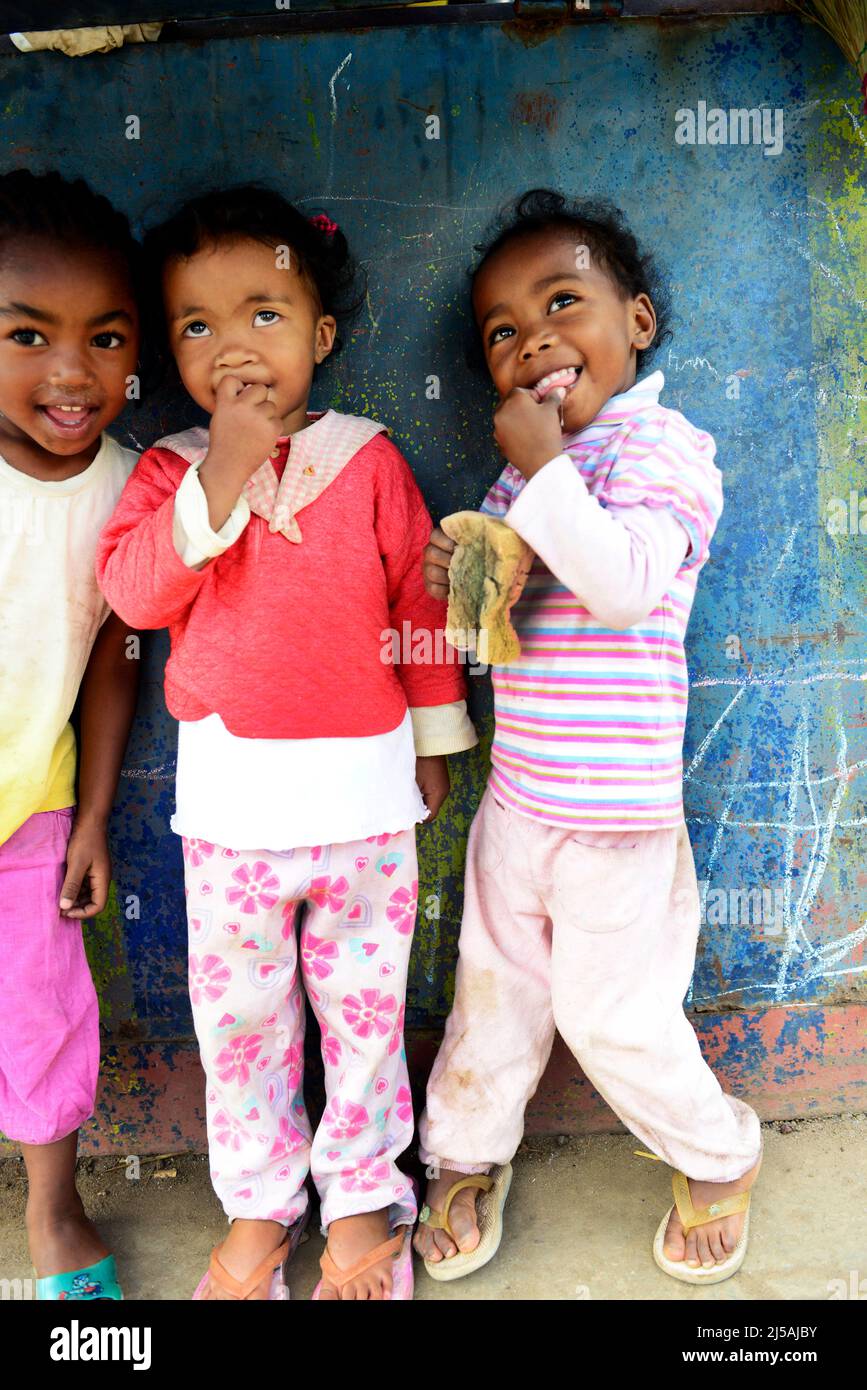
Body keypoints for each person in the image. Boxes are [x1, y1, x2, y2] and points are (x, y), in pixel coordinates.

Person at [96, 186, 477, 1301]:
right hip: (232, 822)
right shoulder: (168, 471)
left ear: (318, 337)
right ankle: (261, 1206)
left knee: (362, 1014)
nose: (233, 347)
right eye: (197, 326)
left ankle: (362, 1198)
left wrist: (435, 733)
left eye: (263, 313)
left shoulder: (369, 460)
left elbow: (417, 601)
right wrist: (222, 465)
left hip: (363, 805)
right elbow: (134, 594)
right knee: (243, 1026)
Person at [414, 188, 762, 1287]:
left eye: (564, 302)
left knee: (610, 1012)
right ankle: (465, 1152)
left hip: (617, 819)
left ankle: (718, 1153)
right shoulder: (522, 474)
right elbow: (500, 626)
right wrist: (463, 584)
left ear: (638, 324)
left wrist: (545, 471)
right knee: (493, 990)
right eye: (502, 333)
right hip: (519, 802)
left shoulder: (666, 449)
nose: (535, 341)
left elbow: (622, 584)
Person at [0, 169, 141, 1301]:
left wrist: (92, 814)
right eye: (25, 334)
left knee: (41, 1015)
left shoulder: (130, 491)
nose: (69, 371)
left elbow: (112, 651)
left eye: (104, 336)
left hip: (28, 810)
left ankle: (51, 1206)